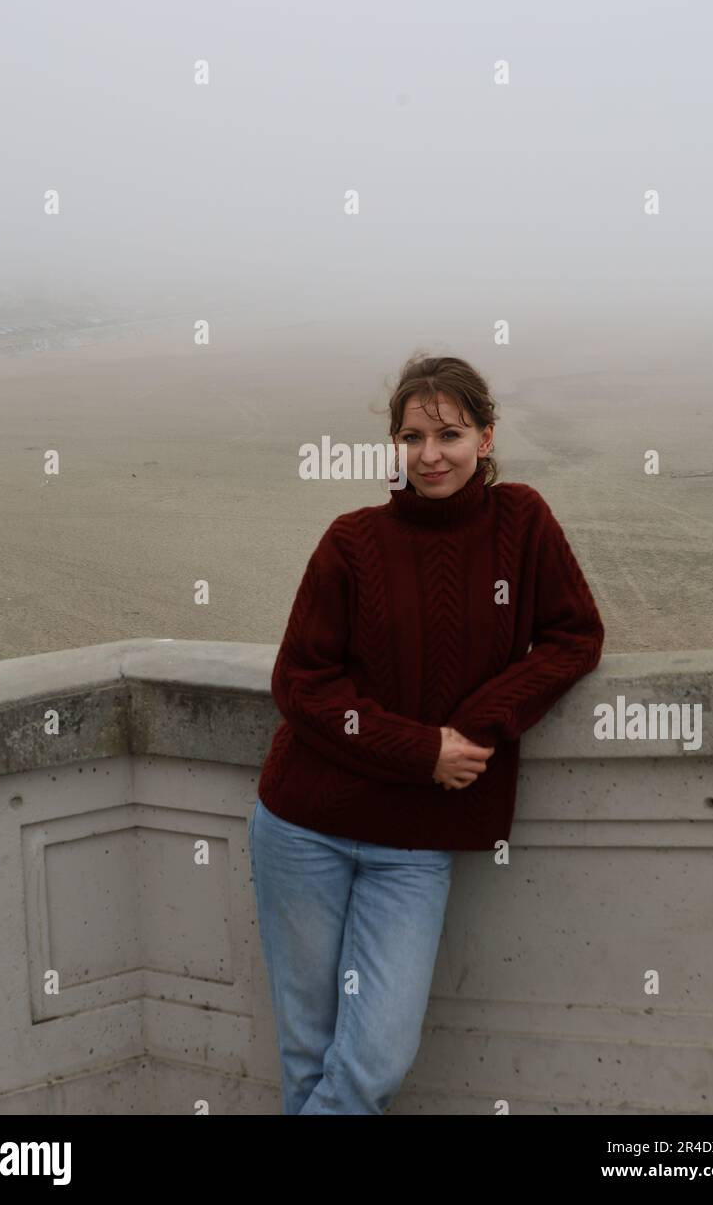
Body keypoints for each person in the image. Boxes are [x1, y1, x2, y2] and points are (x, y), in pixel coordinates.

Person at [248, 352, 605, 1114]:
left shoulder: (522, 521)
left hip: (413, 847)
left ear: (486, 435)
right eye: (412, 436)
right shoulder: (352, 541)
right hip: (301, 826)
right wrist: (423, 751)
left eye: (449, 432)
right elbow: (301, 683)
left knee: (372, 1063)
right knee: (310, 1057)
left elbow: (575, 636)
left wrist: (476, 726)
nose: (430, 453)